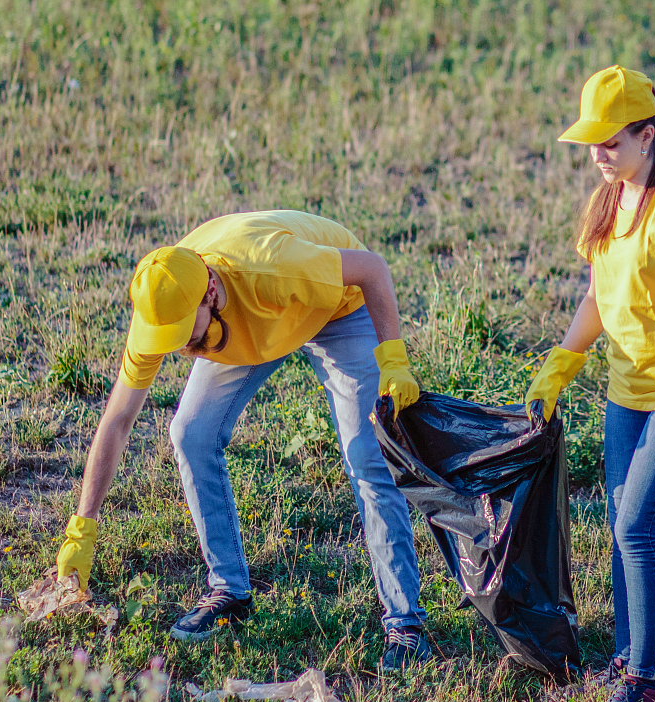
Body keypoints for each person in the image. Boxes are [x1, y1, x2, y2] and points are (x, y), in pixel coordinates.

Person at [46, 210, 436, 671]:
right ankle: (228, 592)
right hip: (249, 322)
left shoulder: (276, 266)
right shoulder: (162, 301)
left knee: (365, 456)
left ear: (210, 290)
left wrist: (394, 360)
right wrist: (82, 526)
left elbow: (373, 268)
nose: (181, 349)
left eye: (184, 334)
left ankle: (405, 624)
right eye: (169, 339)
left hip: (336, 306)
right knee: (191, 433)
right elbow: (117, 420)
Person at [522, 67, 655, 702]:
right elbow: (597, 296)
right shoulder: (608, 201)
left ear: (647, 135)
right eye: (593, 143)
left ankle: (647, 682)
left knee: (637, 527)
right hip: (625, 391)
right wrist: (561, 363)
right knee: (620, 530)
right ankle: (625, 655)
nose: (598, 155)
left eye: (611, 142)